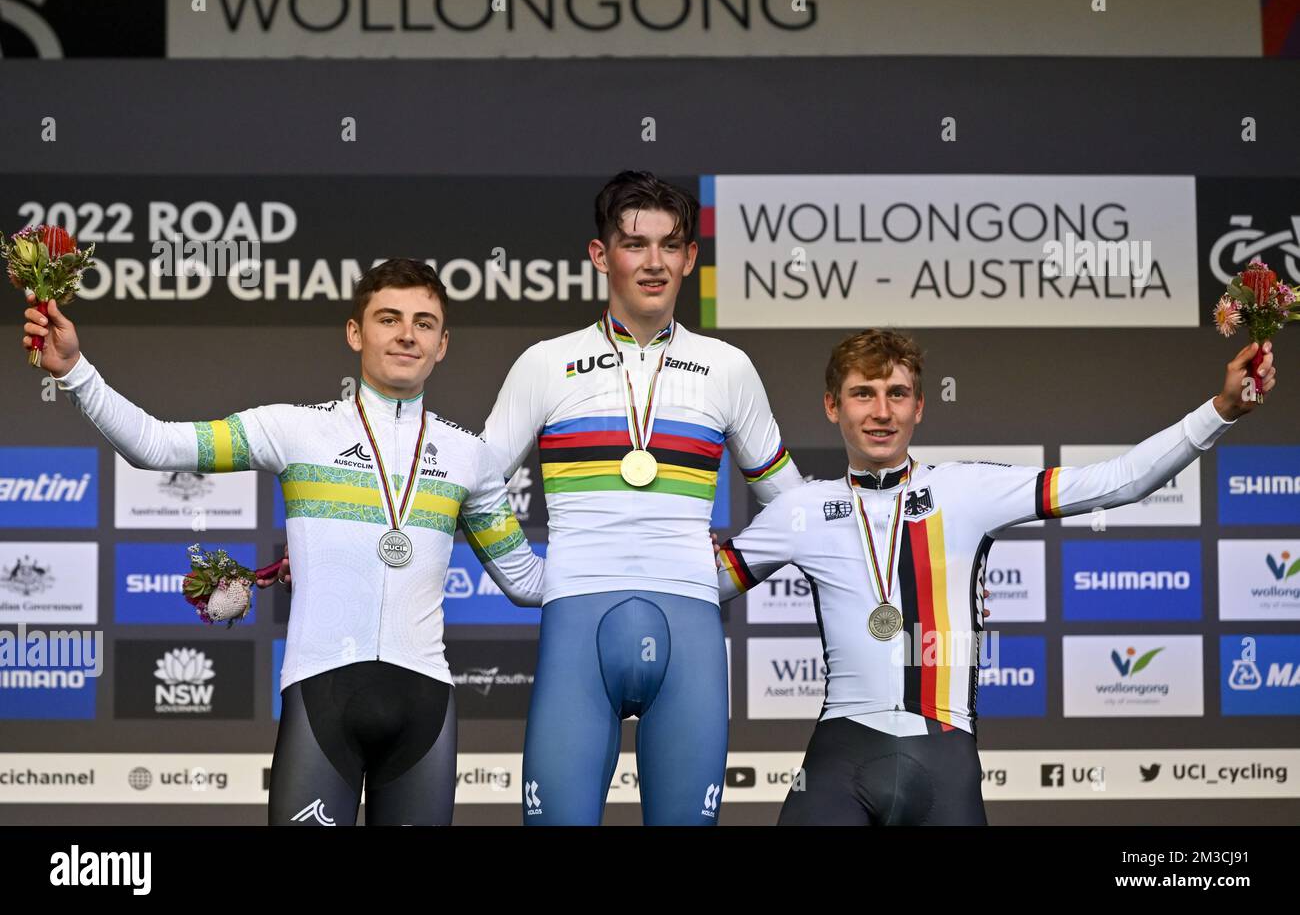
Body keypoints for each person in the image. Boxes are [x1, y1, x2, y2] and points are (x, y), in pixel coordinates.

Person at [22, 258, 544, 826]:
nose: (405, 334)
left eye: (423, 323)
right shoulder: (294, 430)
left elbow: (525, 580)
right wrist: (74, 370)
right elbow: (157, 445)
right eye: (388, 318)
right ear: (354, 332)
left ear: (442, 344)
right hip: (322, 699)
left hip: (425, 707)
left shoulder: (470, 456)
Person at [715, 328, 1276, 825]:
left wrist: (1220, 409)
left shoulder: (967, 489)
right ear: (832, 407)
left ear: (920, 408)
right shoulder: (801, 510)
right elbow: (698, 588)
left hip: (944, 755)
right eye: (864, 393)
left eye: (897, 394)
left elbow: (1118, 482)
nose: (881, 411)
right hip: (841, 755)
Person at [486, 170, 803, 825]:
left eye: (670, 245)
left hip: (689, 619)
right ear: (601, 256)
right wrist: (524, 577)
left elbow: (793, 508)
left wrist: (724, 576)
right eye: (635, 244)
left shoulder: (727, 367)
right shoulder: (547, 362)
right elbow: (473, 479)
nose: (653, 263)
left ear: (690, 256)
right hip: (576, 618)